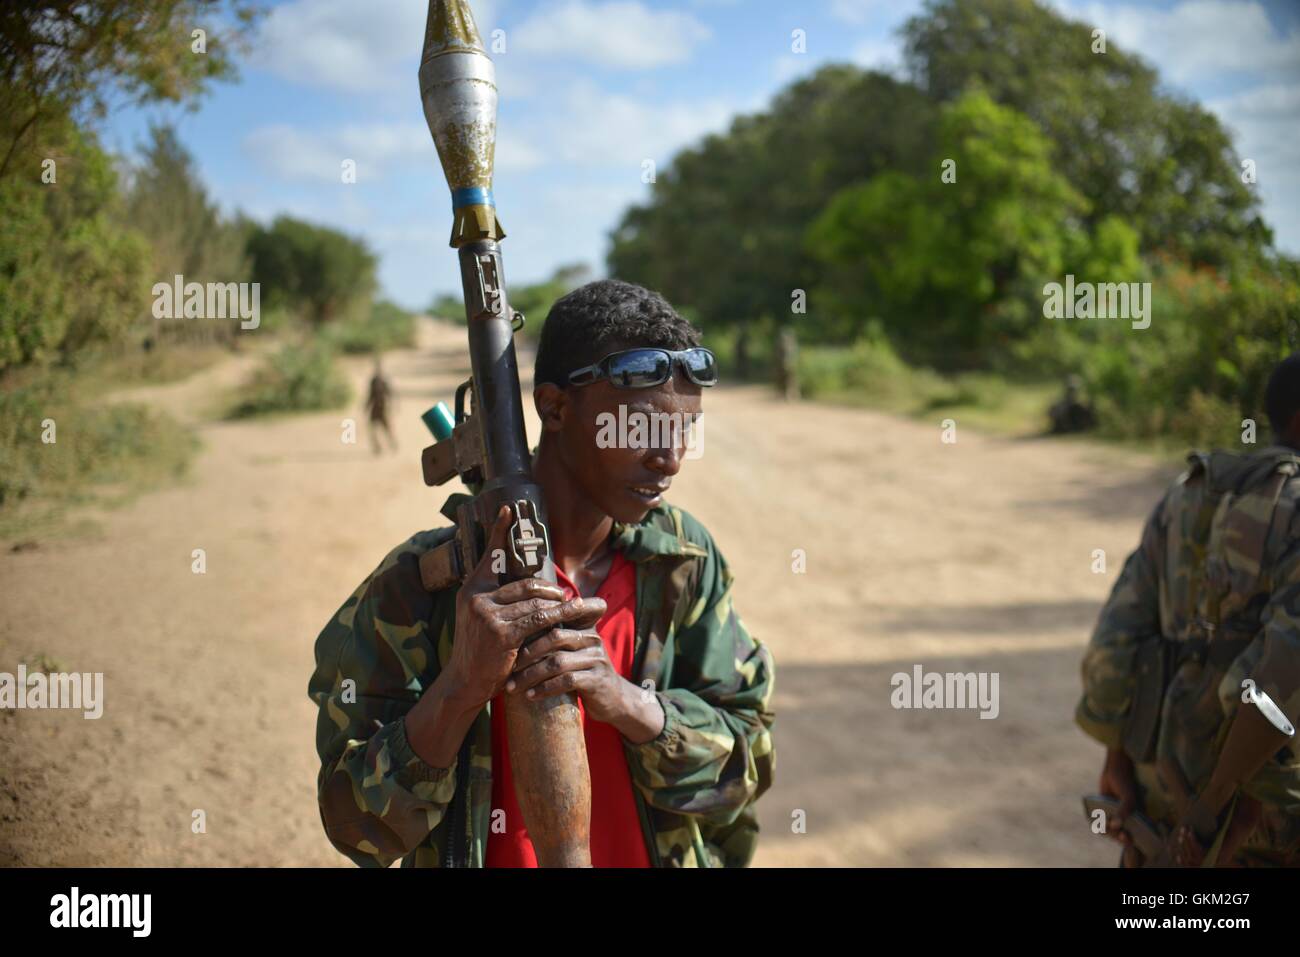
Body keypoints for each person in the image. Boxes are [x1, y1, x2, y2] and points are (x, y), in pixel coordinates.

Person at [308, 280, 776, 868]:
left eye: (684, 430)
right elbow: (354, 825)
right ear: (554, 408)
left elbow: (748, 763)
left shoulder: (680, 560)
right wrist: (461, 687)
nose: (671, 459)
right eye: (640, 429)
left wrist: (631, 704)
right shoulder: (425, 584)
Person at [1077, 354, 1300, 866]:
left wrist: (1118, 759)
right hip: (1251, 825)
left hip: (1157, 798)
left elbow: (1119, 635)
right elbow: (1285, 671)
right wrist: (1225, 815)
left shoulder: (1186, 493)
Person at [365, 356, 397, 455]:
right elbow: (370, 395)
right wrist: (366, 406)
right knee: (373, 429)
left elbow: (390, 394)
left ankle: (393, 444)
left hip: (382, 408)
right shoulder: (373, 380)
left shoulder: (384, 380)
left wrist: (391, 406)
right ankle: (377, 447)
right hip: (375, 408)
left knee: (387, 429)